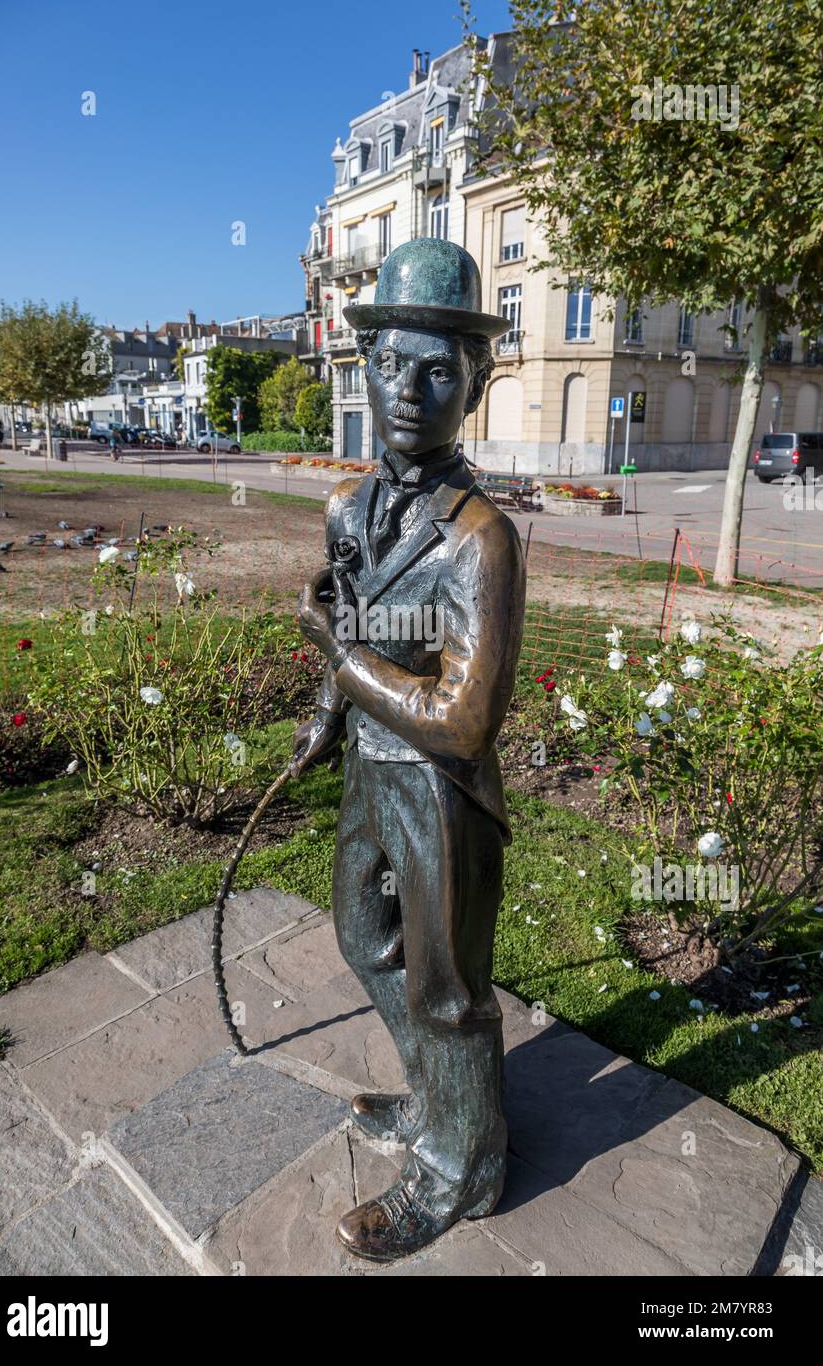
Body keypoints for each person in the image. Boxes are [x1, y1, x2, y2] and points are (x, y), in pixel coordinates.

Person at [292, 239, 526, 1262]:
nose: (412, 389)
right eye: (396, 362)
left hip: (441, 793)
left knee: (446, 988)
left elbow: (465, 719)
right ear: (367, 363)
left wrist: (343, 664)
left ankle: (459, 1167)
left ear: (472, 384)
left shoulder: (480, 536)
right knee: (360, 939)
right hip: (365, 773)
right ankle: (439, 1099)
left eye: (441, 369)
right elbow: (339, 611)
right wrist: (323, 713)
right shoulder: (347, 504)